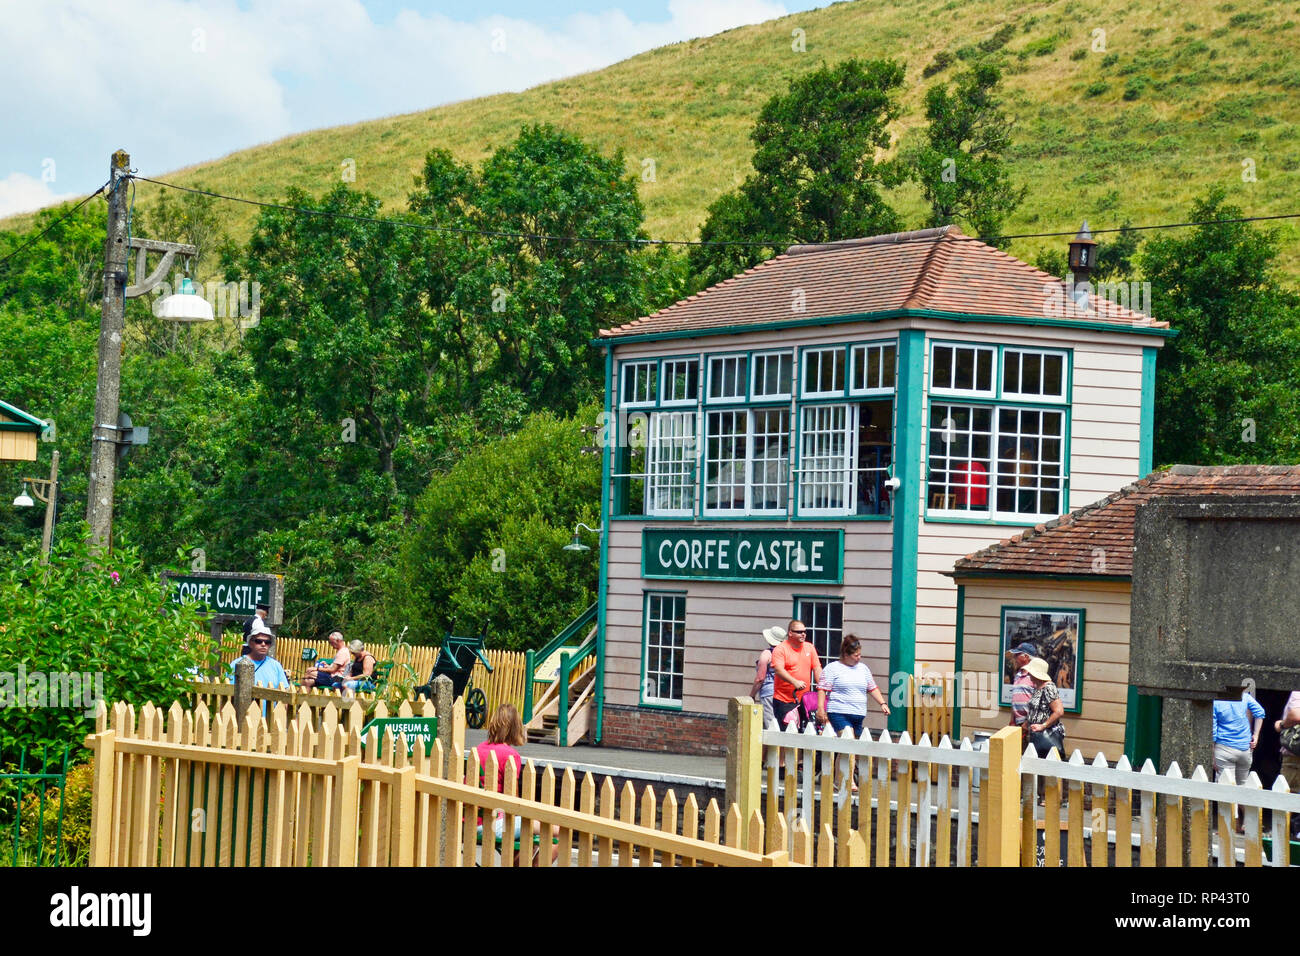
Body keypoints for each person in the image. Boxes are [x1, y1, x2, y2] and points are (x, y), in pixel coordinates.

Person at [473, 704, 558, 864]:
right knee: (562, 831)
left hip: (472, 821)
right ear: (515, 728)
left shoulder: (478, 749)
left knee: (527, 839)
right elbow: (513, 800)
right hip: (496, 825)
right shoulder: (510, 755)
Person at [816, 634, 890, 737]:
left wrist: (882, 703)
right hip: (839, 713)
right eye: (856, 655)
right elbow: (822, 688)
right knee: (848, 740)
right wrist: (820, 708)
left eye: (860, 655)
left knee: (853, 745)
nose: (859, 658)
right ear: (846, 655)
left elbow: (872, 688)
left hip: (858, 714)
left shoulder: (863, 669)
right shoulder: (832, 668)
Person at [770, 619, 821, 732]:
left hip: (805, 700)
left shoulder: (809, 647)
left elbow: (817, 668)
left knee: (806, 731)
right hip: (784, 700)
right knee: (788, 732)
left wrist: (822, 685)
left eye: (804, 631)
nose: (803, 634)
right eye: (799, 632)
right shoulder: (781, 649)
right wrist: (795, 682)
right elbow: (778, 670)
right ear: (790, 633)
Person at [1211, 679, 1264, 786]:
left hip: (1224, 748)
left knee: (1225, 786)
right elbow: (1260, 712)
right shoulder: (1245, 697)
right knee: (1242, 786)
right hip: (1245, 749)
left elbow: (1213, 732)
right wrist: (1256, 735)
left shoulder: (1216, 702)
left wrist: (1212, 756)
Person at [1022, 657, 1066, 758]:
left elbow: (1059, 711)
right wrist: (1027, 722)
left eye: (1030, 672)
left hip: (1045, 734)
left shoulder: (1048, 688)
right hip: (1035, 735)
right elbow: (1037, 710)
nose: (1028, 674)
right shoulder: (1037, 687)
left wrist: (1043, 725)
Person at [228, 619, 289, 690]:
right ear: (250, 643)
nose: (263, 644)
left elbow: (285, 690)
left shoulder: (276, 666)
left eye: (267, 642)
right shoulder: (236, 664)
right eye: (258, 641)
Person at [1275, 689, 1300, 837]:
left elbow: (1296, 714)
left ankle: (1283, 837)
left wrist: (1282, 724)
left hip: (1295, 758)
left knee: (1286, 799)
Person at [751, 626, 783, 729]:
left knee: (771, 725)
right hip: (783, 693)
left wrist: (752, 695)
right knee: (782, 724)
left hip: (769, 693)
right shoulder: (785, 653)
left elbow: (760, 678)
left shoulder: (767, 654)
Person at [1006, 642, 1037, 730]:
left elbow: (1038, 703)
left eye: (1017, 655)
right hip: (1018, 723)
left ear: (1026, 657)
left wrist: (1027, 723)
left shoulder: (1035, 675)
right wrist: (1012, 720)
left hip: (1032, 724)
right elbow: (1015, 699)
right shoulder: (1018, 675)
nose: (1014, 658)